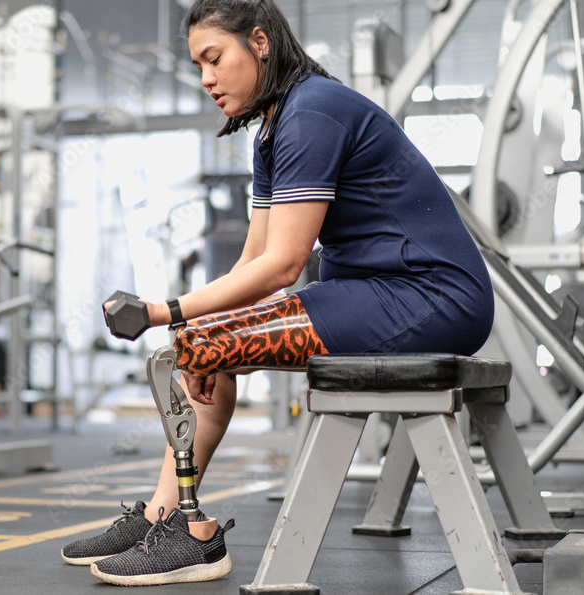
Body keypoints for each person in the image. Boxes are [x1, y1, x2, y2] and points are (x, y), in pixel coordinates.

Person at [62, 0, 495, 587]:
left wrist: (163, 313)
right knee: (198, 346)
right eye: (197, 67)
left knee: (195, 344)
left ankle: (195, 535)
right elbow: (254, 258)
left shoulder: (313, 112)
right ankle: (166, 516)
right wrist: (199, 333)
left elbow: (285, 266)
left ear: (259, 42)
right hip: (377, 293)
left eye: (214, 58)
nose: (207, 79)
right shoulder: (272, 128)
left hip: (428, 298)